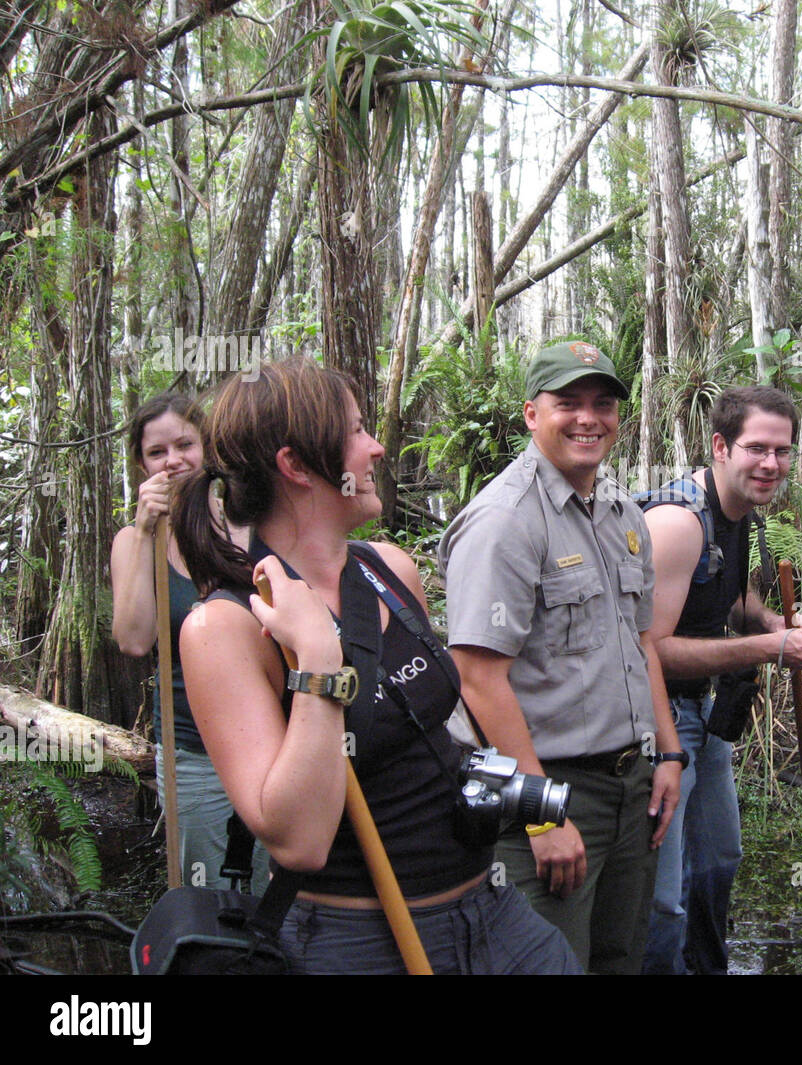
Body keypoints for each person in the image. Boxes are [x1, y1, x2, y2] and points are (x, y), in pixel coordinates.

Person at [171, 358, 580, 974]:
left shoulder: (390, 570)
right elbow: (299, 841)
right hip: (359, 937)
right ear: (297, 466)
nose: (376, 447)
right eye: (358, 431)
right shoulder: (225, 627)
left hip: (491, 913)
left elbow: (433, 728)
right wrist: (316, 663)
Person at [438, 338, 683, 974]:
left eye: (602, 403)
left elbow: (640, 641)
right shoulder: (503, 521)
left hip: (632, 788)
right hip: (546, 793)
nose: (587, 418)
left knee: (619, 959)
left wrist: (669, 752)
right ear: (530, 414)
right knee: (549, 963)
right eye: (567, 402)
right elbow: (476, 677)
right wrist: (542, 814)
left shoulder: (624, 512)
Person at [639, 386, 802, 975]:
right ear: (721, 446)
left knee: (720, 861)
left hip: (705, 713)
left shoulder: (741, 512)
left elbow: (727, 595)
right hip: (657, 722)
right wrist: (772, 647)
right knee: (663, 897)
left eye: (782, 451)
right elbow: (647, 650)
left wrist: (778, 620)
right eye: (757, 448)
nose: (771, 464)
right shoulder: (678, 523)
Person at [110, 393, 269, 894]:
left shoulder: (250, 524)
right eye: (158, 452)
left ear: (207, 449)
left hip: (271, 736)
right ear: (142, 462)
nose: (174, 460)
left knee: (282, 889)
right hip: (191, 751)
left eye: (185, 444)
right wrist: (142, 531)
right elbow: (134, 640)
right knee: (210, 894)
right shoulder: (134, 542)